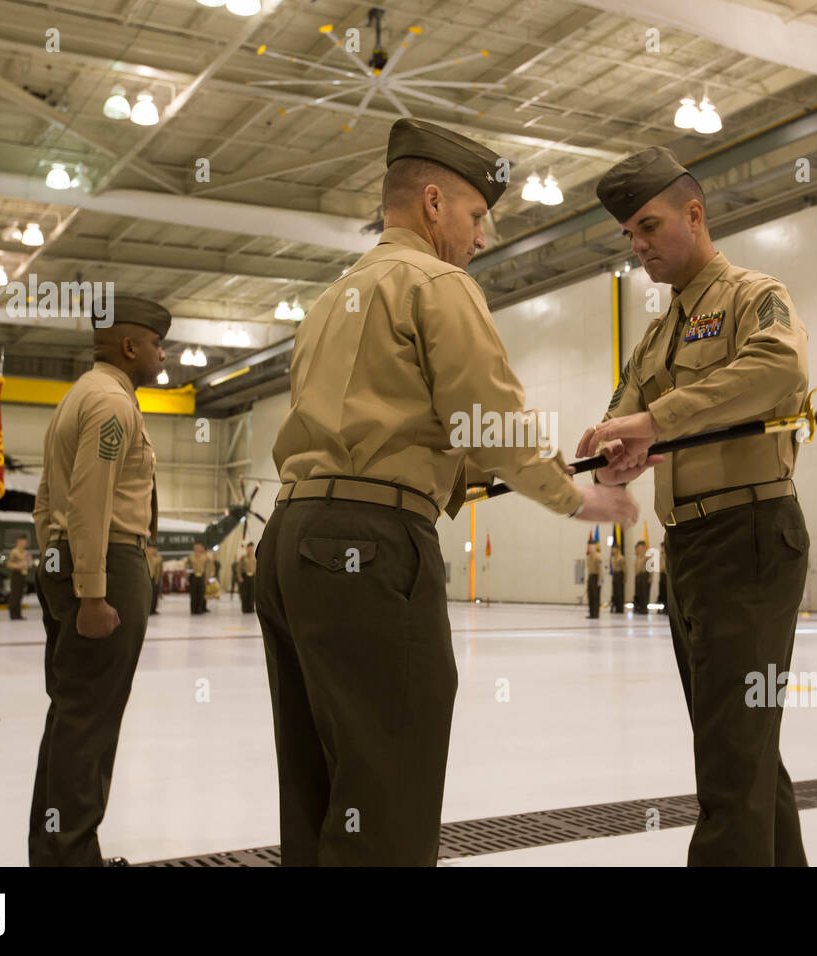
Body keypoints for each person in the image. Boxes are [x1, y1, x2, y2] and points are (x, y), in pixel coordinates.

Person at [255, 117, 640, 866]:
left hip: (292, 540)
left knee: (318, 779)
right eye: (474, 217)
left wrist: (539, 468)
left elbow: (404, 428)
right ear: (433, 204)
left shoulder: (331, 301)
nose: (481, 238)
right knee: (390, 778)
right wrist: (576, 499)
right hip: (371, 548)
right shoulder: (437, 283)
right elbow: (487, 414)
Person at [578, 145, 811, 866]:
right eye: (630, 236)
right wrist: (610, 455)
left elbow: (780, 368)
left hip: (750, 540)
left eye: (649, 226)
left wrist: (654, 424)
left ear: (695, 213)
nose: (640, 245)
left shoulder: (751, 295)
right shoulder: (655, 337)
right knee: (743, 753)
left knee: (730, 764)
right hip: (692, 554)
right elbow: (623, 417)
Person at [28, 296, 168, 866]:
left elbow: (46, 499)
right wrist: (91, 590)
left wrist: (56, 562)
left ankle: (57, 853)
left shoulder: (77, 397)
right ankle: (71, 858)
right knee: (90, 723)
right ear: (130, 346)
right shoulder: (112, 403)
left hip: (76, 561)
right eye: (158, 343)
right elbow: (89, 498)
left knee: (71, 715)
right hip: (109, 565)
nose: (163, 353)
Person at [7, 534, 31, 620]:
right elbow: (9, 564)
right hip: (16, 574)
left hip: (23, 574)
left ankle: (18, 614)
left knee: (20, 594)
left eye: (24, 542)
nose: (23, 543)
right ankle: (13, 614)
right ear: (18, 542)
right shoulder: (14, 552)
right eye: (22, 542)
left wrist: (28, 562)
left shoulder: (25, 552)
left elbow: (29, 563)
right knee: (15, 594)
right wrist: (18, 565)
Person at [185, 543, 212, 615]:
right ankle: (193, 609)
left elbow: (208, 568)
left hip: (202, 577)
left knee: (201, 594)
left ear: (201, 548)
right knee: (193, 594)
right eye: (195, 547)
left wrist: (207, 578)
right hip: (193, 577)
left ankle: (199, 609)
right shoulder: (190, 557)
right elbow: (187, 568)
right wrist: (186, 579)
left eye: (198, 547)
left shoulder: (206, 557)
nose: (197, 549)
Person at [237, 542, 257, 615]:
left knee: (252, 593)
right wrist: (239, 576)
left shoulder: (255, 557)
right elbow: (238, 568)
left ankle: (251, 608)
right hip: (245, 577)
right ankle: (244, 608)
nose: (250, 550)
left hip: (253, 577)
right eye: (249, 548)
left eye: (252, 548)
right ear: (247, 549)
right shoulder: (243, 557)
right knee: (245, 593)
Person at [632, 540, 650, 614]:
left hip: (645, 575)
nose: (638, 549)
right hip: (639, 576)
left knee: (644, 593)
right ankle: (640, 608)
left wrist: (650, 577)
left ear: (643, 547)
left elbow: (650, 568)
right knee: (639, 593)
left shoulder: (647, 557)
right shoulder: (638, 557)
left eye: (639, 547)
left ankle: (644, 609)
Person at [585, 542, 602, 619]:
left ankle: (596, 613)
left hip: (596, 577)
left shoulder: (597, 557)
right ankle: (591, 613)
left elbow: (600, 570)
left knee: (596, 596)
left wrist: (599, 580)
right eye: (589, 547)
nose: (590, 548)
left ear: (595, 547)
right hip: (591, 577)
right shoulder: (588, 557)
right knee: (591, 596)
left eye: (592, 547)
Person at [146, 545, 164, 615]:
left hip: (155, 578)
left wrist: (158, 578)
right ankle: (148, 610)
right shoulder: (146, 557)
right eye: (151, 548)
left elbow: (160, 569)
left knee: (155, 595)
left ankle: (153, 609)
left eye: (155, 549)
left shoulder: (158, 558)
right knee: (148, 595)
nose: (153, 550)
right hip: (148, 577)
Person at [609, 543, 626, 612]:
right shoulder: (612, 558)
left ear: (617, 549)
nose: (613, 550)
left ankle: (620, 608)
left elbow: (625, 569)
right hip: (615, 575)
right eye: (612, 549)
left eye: (614, 549)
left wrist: (625, 578)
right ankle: (616, 607)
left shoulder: (621, 557)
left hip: (620, 575)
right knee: (615, 592)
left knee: (620, 592)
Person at [655, 538, 668, 607]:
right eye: (661, 547)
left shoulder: (668, 555)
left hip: (666, 574)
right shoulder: (661, 556)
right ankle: (664, 605)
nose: (662, 549)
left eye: (663, 547)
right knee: (662, 591)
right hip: (662, 574)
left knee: (667, 591)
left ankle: (667, 606)